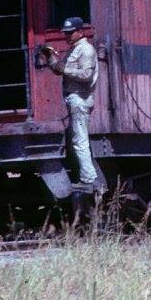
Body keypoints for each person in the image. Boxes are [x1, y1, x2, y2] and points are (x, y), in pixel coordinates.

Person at [42, 17, 99, 188]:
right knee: (78, 139)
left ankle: (89, 178)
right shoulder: (76, 49)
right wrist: (50, 57)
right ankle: (87, 176)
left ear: (80, 32)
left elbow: (86, 75)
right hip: (76, 98)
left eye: (70, 33)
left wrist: (64, 68)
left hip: (80, 98)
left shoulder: (86, 50)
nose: (67, 36)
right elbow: (61, 71)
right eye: (66, 33)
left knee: (79, 141)